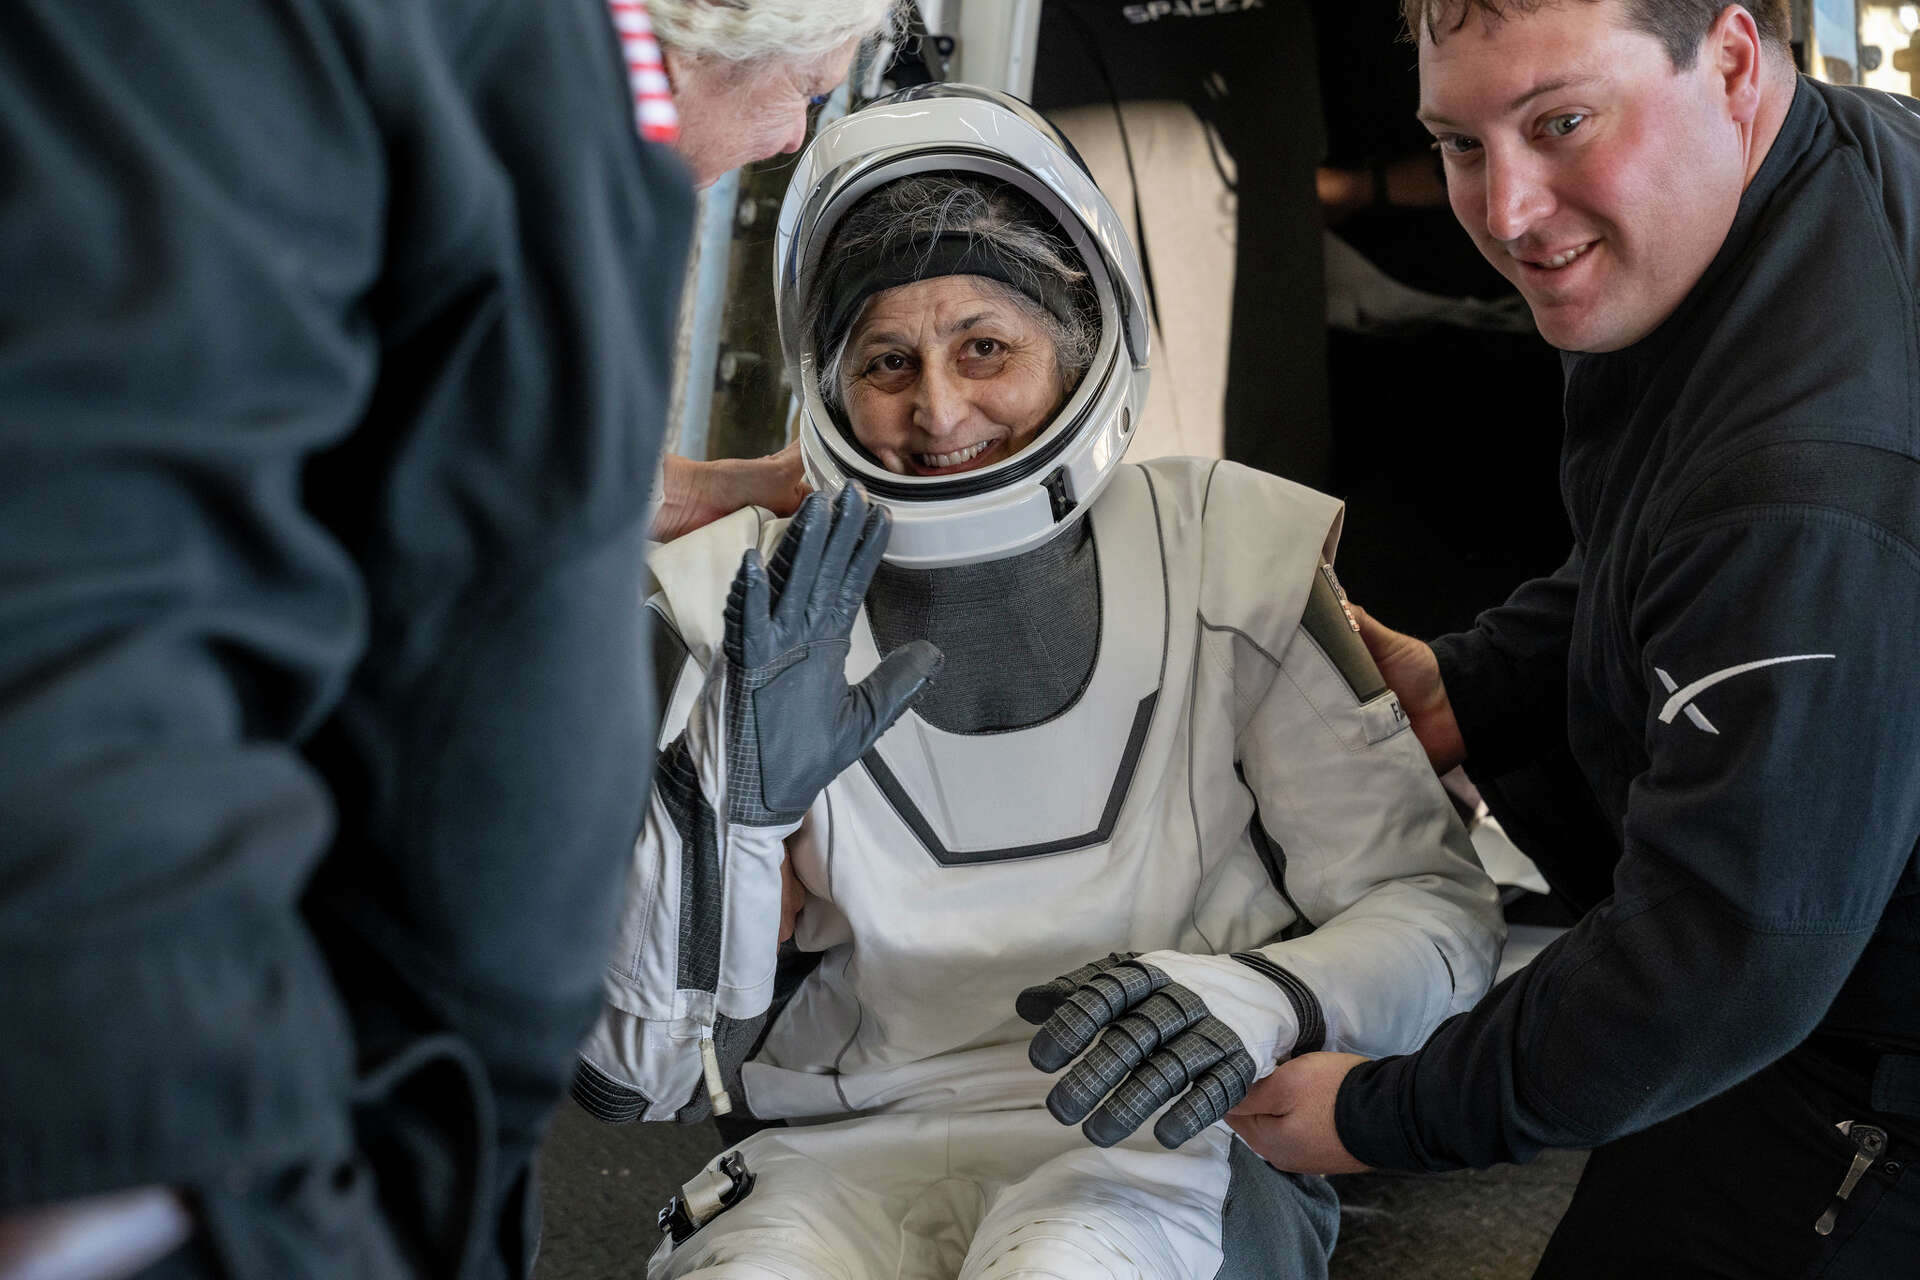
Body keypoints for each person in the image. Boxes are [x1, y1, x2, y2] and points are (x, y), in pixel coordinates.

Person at [0, 2, 894, 1277]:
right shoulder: (317, 56)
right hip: (190, 1167)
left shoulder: (530, 111)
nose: (795, 125)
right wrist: (197, 1185)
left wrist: (738, 484)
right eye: (811, 87)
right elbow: (84, 581)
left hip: (380, 1130)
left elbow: (449, 471)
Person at [573, 85, 1504, 1280]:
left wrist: (1265, 997)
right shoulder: (738, 605)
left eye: (985, 348)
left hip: (1157, 1149)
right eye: (887, 360)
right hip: (829, 1154)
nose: (939, 408)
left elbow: (1435, 913)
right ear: (830, 386)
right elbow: (633, 1075)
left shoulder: (1227, 556)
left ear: (1079, 345)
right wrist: (734, 811)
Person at [1226, 2, 1920, 1275]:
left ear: (1728, 60)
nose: (1505, 212)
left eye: (1560, 124)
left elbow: (1719, 955)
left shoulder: (1806, 489)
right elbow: (1664, 540)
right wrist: (1471, 680)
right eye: (1458, 142)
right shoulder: (1790, 179)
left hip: (1863, 1073)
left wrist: (1381, 1109)